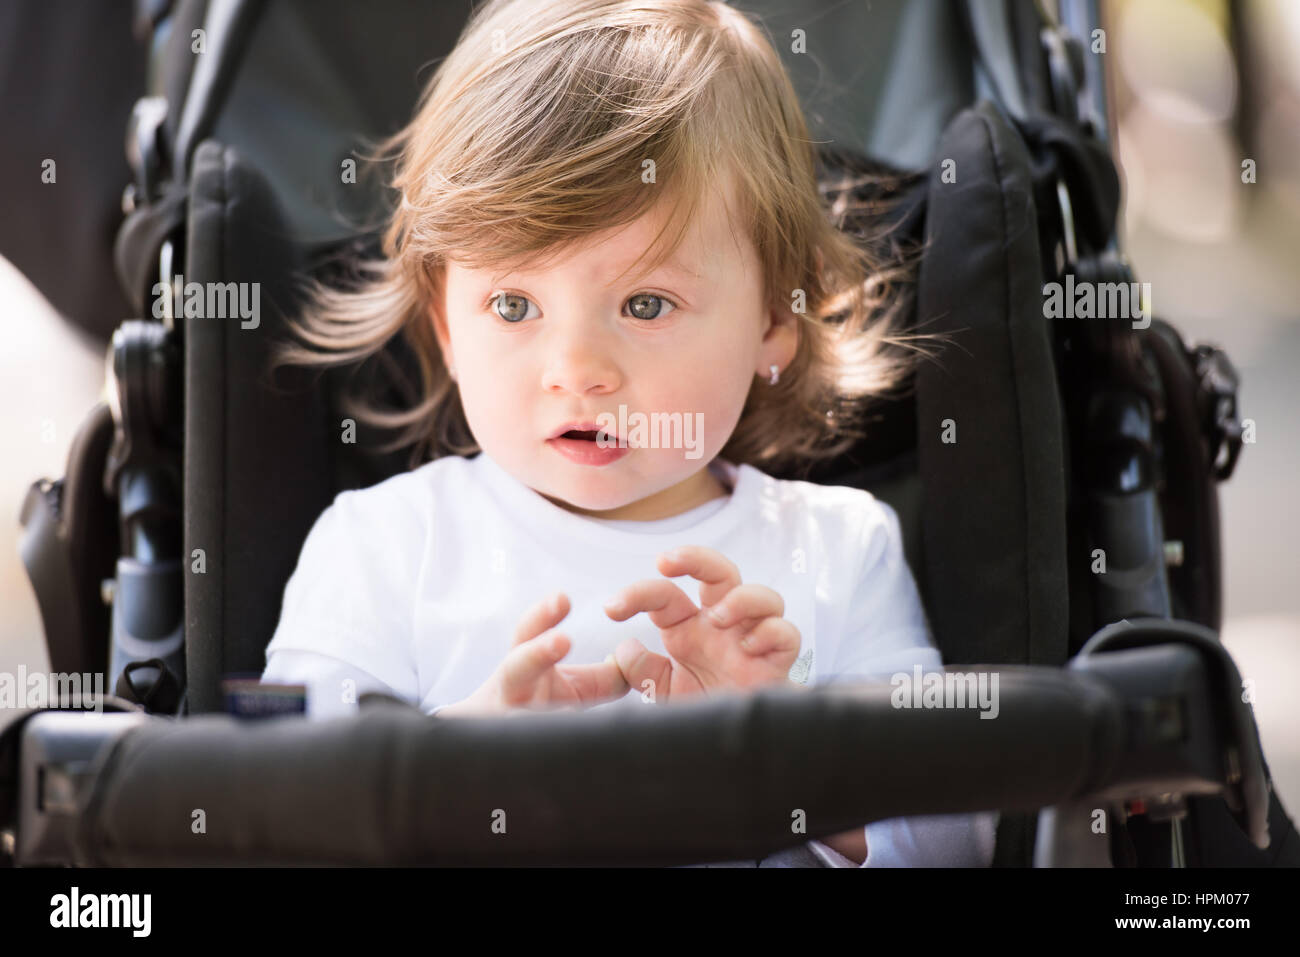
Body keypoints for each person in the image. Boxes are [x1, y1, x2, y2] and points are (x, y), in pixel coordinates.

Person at [261, 0, 996, 867]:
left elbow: (962, 844)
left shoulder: (837, 551)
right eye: (514, 305)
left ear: (773, 320)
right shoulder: (380, 548)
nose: (576, 367)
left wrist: (800, 760)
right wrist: (453, 768)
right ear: (448, 327)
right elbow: (279, 820)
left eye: (646, 304)